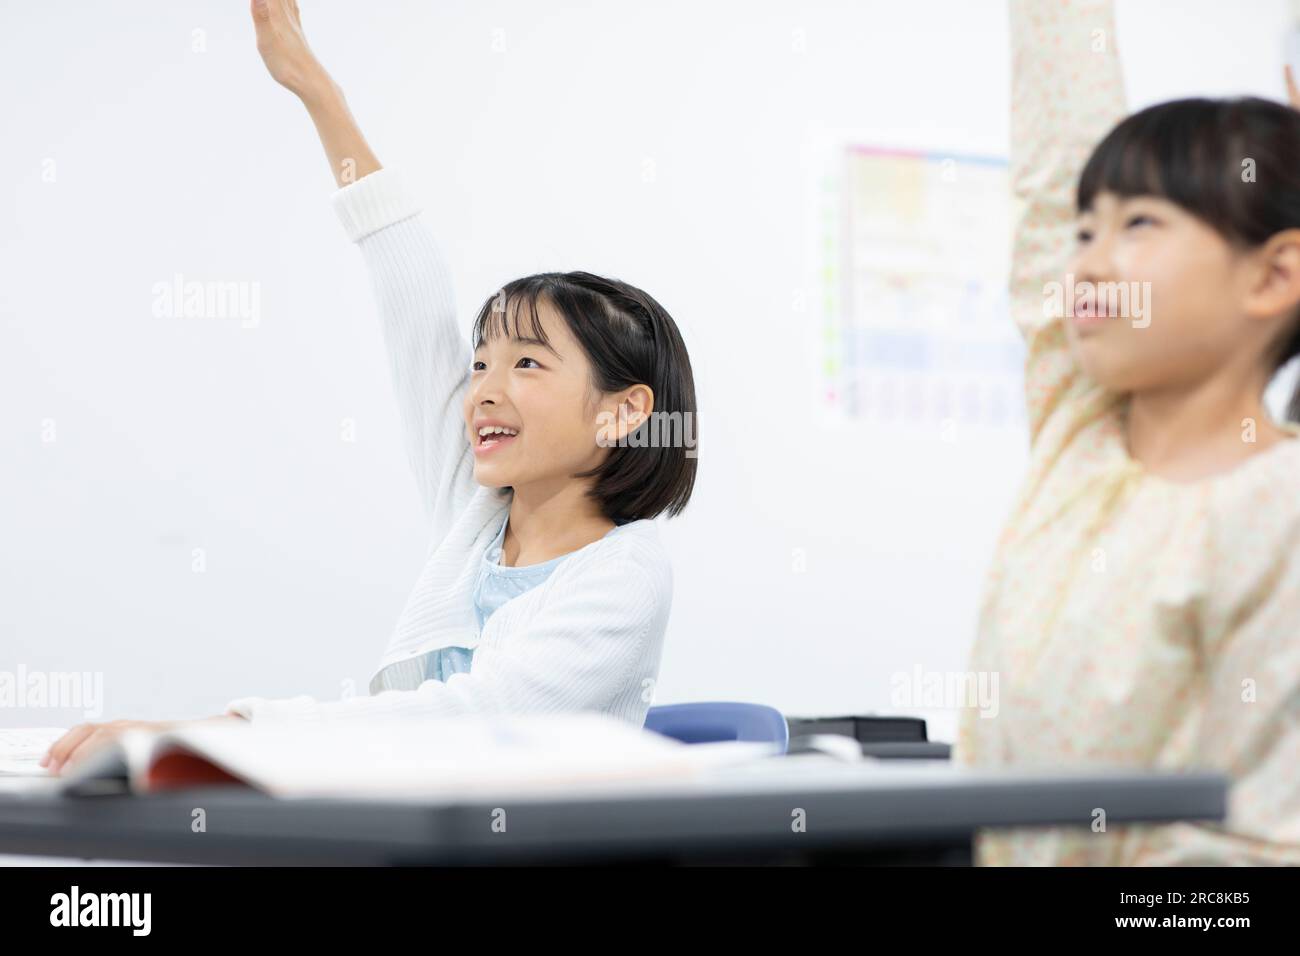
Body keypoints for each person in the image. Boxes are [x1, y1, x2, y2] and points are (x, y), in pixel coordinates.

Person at [43, 0, 697, 774]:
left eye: (526, 364)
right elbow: (412, 293)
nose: (483, 386)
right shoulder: (474, 514)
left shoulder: (626, 572)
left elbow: (478, 719)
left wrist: (220, 731)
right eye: (481, 362)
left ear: (623, 413)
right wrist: (314, 88)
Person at [954, 0, 1300, 864]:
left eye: (1139, 225)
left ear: (1275, 275)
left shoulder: (1280, 508)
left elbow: (1265, 842)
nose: (1088, 263)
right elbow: (1051, 173)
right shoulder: (1083, 427)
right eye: (1084, 232)